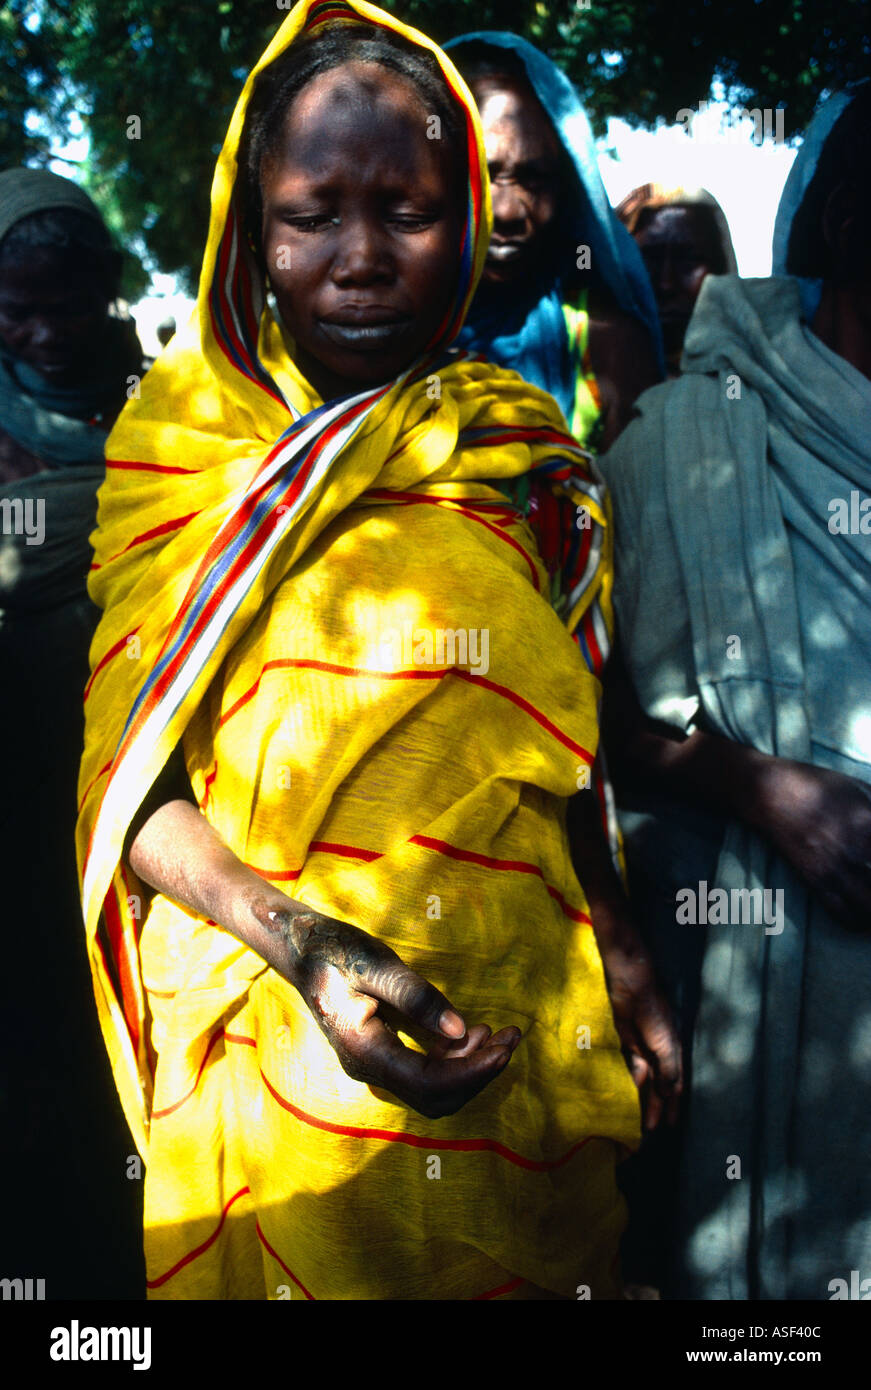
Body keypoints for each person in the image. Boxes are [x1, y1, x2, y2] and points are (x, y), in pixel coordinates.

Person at [77, 0, 679, 1301]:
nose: (360, 257)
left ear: (466, 219)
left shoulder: (510, 441)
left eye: (406, 210)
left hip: (518, 1016)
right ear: (250, 225)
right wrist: (297, 940)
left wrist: (619, 940)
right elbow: (131, 796)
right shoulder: (182, 450)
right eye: (311, 215)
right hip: (275, 1035)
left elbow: (563, 731)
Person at [598, 81, 871, 1300]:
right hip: (751, 998)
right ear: (839, 222)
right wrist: (761, 788)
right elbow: (580, 727)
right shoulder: (684, 440)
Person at [0, 168, 145, 1296]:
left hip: (134, 772)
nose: (44, 332)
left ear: (107, 289)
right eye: (14, 308)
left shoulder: (159, 402)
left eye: (66, 302)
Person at [444, 32, 663, 450]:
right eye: (485, 175)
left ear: (565, 189)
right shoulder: (381, 332)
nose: (507, 211)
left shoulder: (604, 343)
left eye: (534, 178)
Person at [616, 184, 737, 376]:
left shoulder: (756, 378)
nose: (666, 284)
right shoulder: (586, 370)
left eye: (688, 261)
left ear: (721, 268)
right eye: (648, 260)